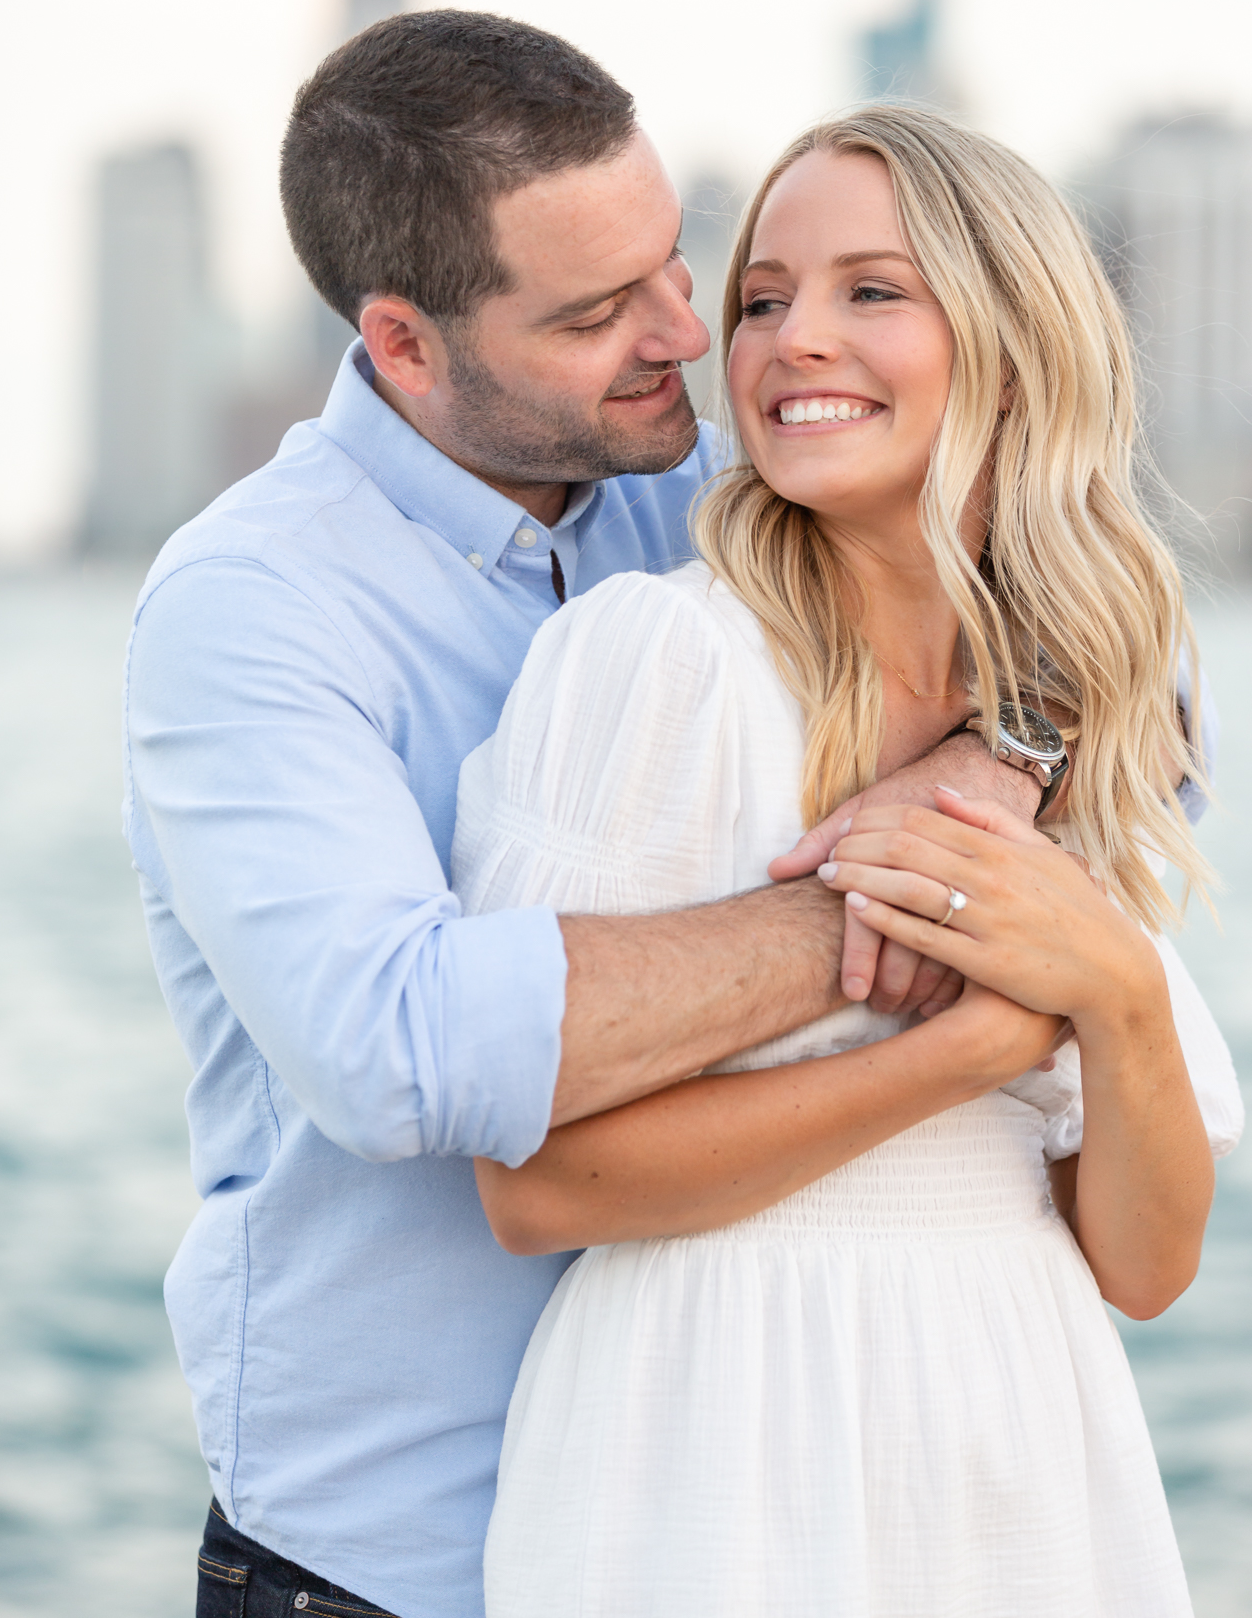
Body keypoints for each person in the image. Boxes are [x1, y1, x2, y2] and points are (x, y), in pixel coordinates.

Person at [123, 15, 1055, 1618]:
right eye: (597, 312)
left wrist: (1002, 753)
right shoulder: (251, 608)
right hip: (411, 1558)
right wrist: (897, 901)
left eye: (675, 268)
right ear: (407, 346)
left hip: (736, 1527)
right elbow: (404, 1053)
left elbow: (1118, 652)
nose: (686, 333)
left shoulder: (718, 496)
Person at [455, 105, 1244, 1617]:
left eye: (871, 292)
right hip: (711, 1447)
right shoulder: (661, 657)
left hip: (1023, 1447)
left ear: (1012, 350)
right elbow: (534, 1184)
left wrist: (1120, 999)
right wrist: (976, 1050)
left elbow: (1143, 1269)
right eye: (762, 298)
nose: (790, 339)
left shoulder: (1079, 708)